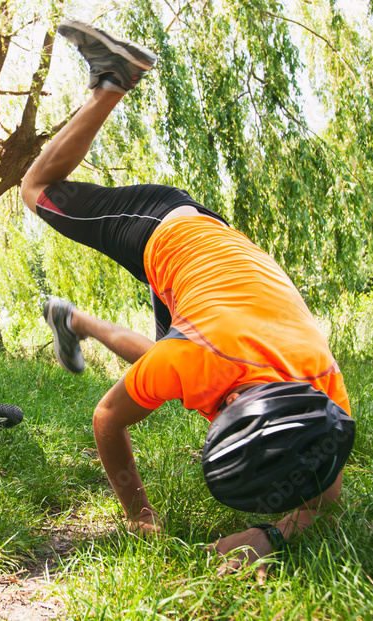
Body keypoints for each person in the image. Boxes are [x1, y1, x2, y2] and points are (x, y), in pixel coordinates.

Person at [20, 20, 354, 581]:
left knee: (163, 359)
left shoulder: (324, 388)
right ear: (228, 411)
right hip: (166, 229)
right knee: (35, 190)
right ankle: (112, 79)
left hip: (223, 270)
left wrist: (268, 534)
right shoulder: (199, 360)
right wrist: (141, 518)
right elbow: (107, 419)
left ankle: (74, 319)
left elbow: (325, 495)